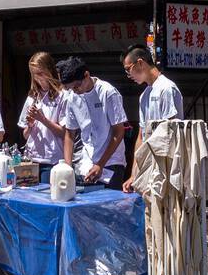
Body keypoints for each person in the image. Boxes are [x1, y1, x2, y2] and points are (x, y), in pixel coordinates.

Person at [58, 56, 129, 189]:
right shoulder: (72, 98)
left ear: (86, 75)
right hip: (86, 162)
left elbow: (119, 131)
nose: (75, 91)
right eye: (71, 89)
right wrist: (68, 167)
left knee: (109, 207)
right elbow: (69, 134)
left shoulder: (108, 92)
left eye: (77, 86)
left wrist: (100, 164)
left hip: (111, 162)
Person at [121, 46, 183, 193]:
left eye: (128, 69)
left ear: (140, 63)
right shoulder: (144, 96)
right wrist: (134, 173)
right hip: (150, 165)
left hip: (167, 165)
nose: (129, 75)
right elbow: (141, 135)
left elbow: (171, 133)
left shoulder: (166, 88)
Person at [17, 51, 74, 171]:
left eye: (40, 73)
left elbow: (65, 133)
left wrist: (42, 119)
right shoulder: (32, 96)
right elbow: (26, 135)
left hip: (53, 160)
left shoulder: (63, 95)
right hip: (31, 159)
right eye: (34, 74)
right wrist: (30, 125)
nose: (37, 77)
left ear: (50, 70)